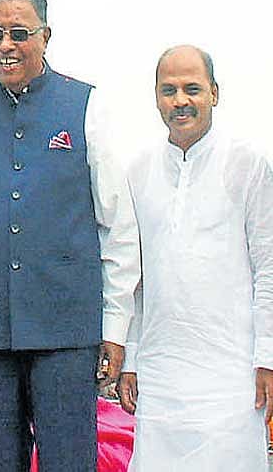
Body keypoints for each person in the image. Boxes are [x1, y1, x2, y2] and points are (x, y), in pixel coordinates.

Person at [0, 0, 140, 471]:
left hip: (66, 327)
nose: (6, 46)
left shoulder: (85, 107)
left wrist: (115, 326)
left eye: (19, 33)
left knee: (70, 462)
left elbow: (117, 227)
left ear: (46, 36)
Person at [118, 45, 273, 469]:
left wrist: (268, 357)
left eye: (192, 89)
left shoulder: (249, 165)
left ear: (215, 94)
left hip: (233, 379)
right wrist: (130, 358)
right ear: (155, 97)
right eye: (169, 90)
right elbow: (135, 279)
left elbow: (269, 267)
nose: (180, 101)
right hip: (161, 375)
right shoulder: (137, 172)